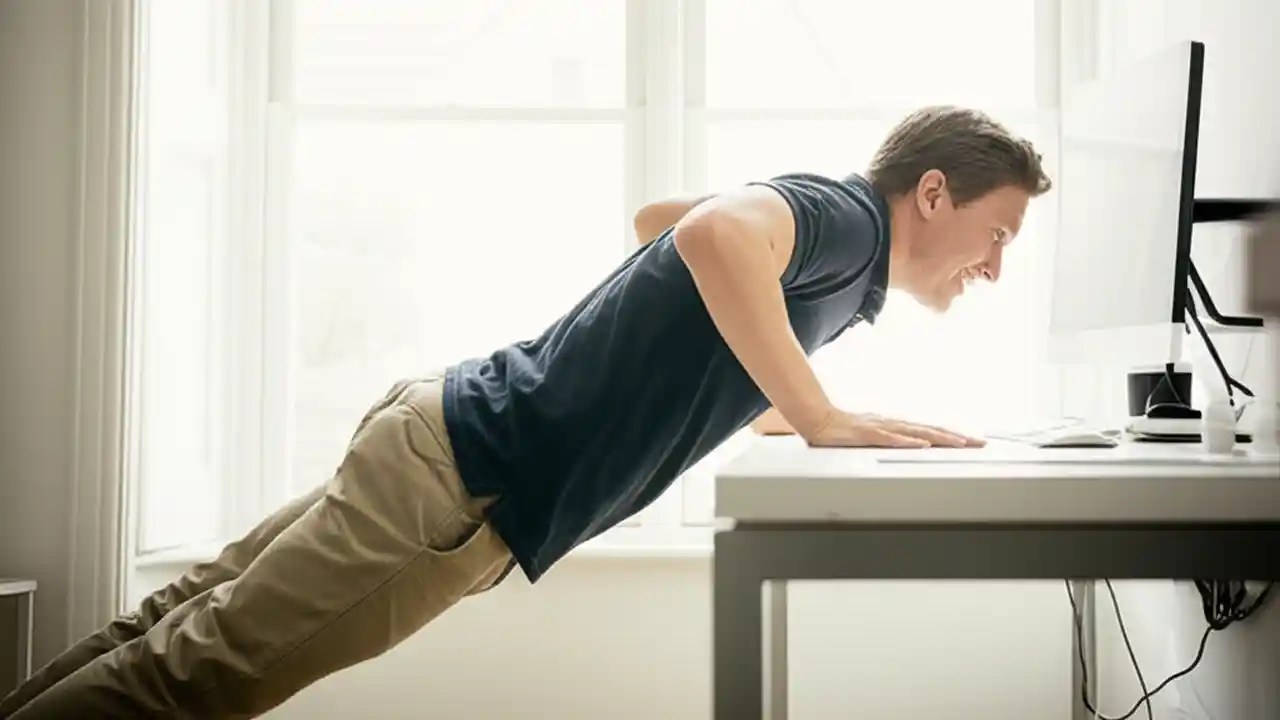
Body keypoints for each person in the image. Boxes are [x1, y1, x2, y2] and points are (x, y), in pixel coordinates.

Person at [1, 104, 1051, 718]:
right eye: (996, 233)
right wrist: (818, 412)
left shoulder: (828, 244)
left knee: (174, 628)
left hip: (436, 431)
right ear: (928, 195)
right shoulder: (845, 225)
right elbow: (710, 238)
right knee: (195, 677)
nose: (994, 268)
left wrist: (777, 404)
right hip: (461, 487)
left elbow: (658, 226)